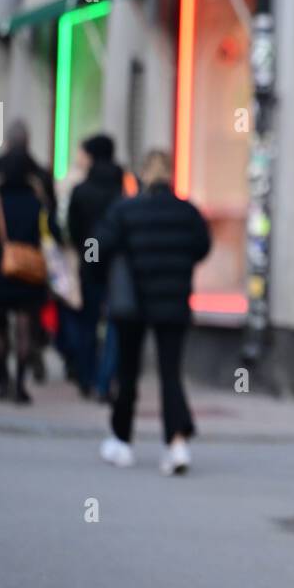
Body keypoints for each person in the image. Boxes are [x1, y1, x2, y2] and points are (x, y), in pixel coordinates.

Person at [95, 150, 210, 475]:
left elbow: (99, 245)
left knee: (128, 373)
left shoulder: (126, 211)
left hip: (132, 305)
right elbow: (202, 246)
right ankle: (176, 444)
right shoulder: (187, 212)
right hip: (173, 302)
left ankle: (121, 441)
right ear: (171, 175)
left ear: (142, 175)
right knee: (170, 374)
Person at [0, 144, 60, 405]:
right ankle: (21, 383)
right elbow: (52, 234)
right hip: (29, 274)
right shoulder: (37, 203)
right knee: (24, 328)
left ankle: (3, 380)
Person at [67, 134, 125, 400]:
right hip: (117, 263)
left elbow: (74, 229)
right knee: (114, 323)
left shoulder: (82, 190)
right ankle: (105, 380)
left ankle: (86, 376)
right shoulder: (122, 188)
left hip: (90, 261)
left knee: (87, 321)